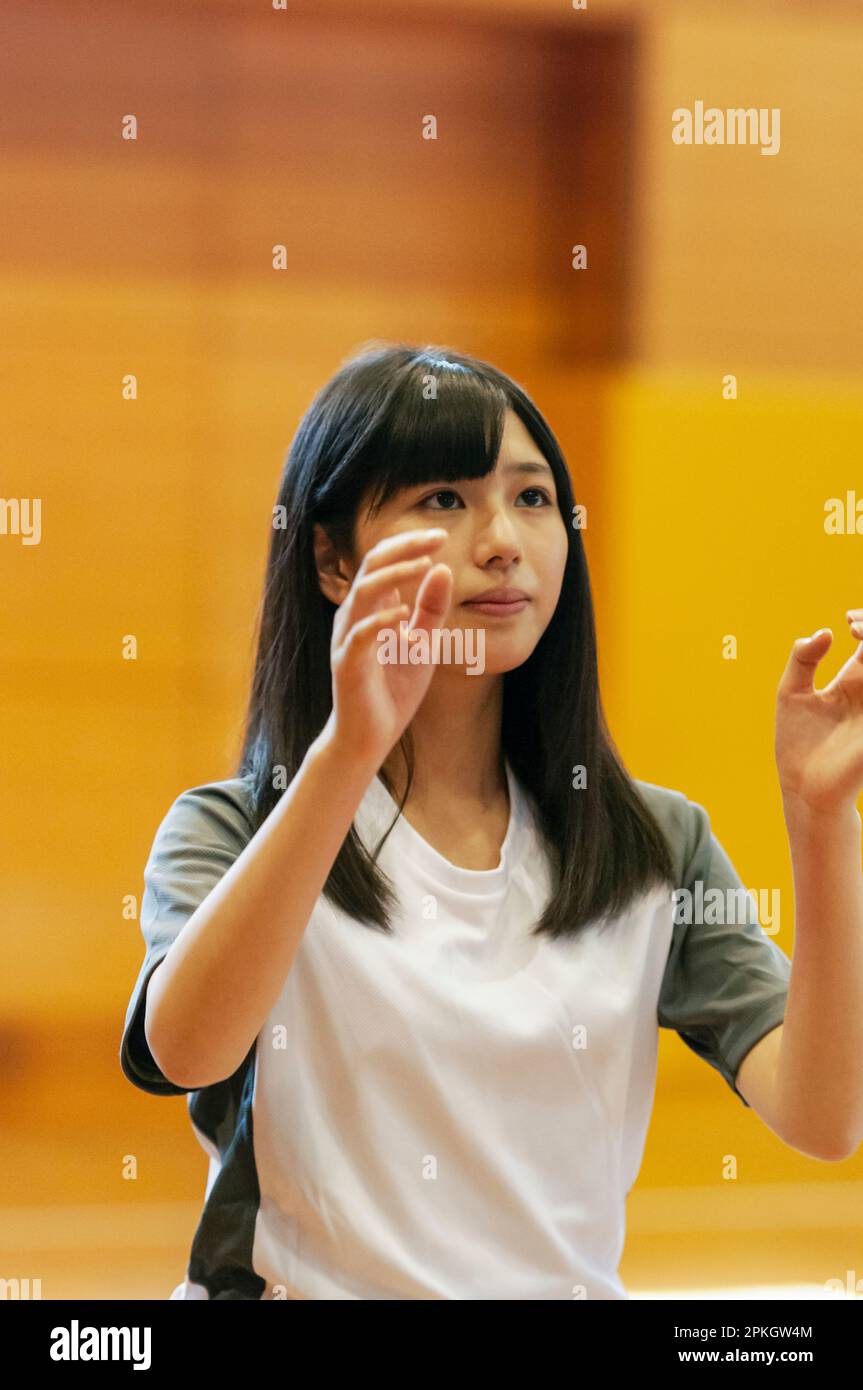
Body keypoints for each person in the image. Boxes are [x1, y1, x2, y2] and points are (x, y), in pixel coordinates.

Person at [120, 342, 795, 1300]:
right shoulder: (233, 830)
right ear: (330, 557)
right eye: (443, 498)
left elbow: (825, 1112)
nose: (500, 540)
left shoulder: (651, 843)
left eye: (530, 498)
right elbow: (186, 1049)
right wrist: (346, 754)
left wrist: (822, 819)